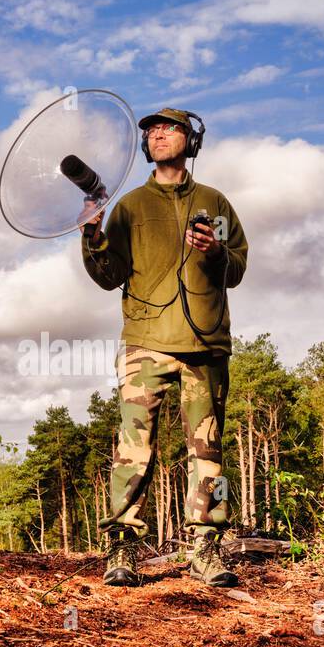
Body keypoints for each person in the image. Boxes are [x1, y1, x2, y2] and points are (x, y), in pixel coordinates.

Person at [81, 108, 249, 588]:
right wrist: (91, 236)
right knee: (135, 447)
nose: (157, 134)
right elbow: (108, 276)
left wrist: (215, 251)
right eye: (150, 130)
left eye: (168, 127)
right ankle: (123, 548)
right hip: (145, 344)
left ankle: (207, 550)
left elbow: (236, 270)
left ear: (190, 140)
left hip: (206, 342)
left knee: (209, 451)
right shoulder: (130, 205)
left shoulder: (215, 202)